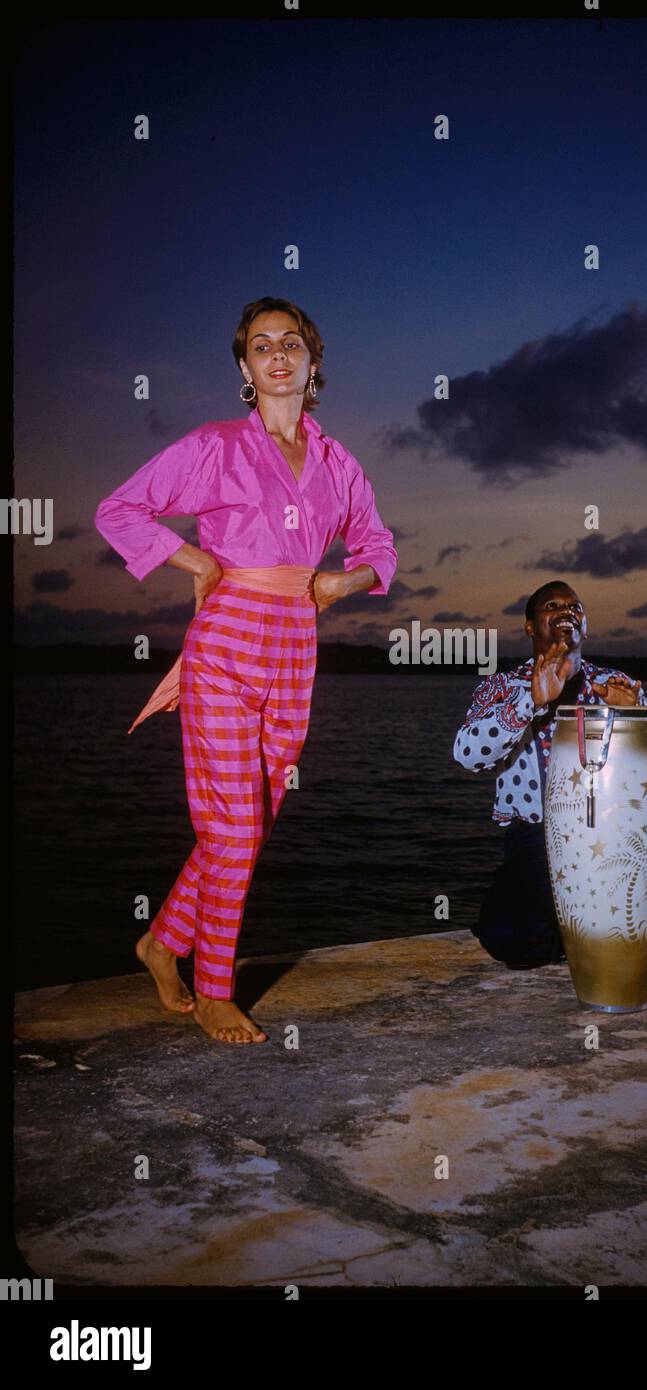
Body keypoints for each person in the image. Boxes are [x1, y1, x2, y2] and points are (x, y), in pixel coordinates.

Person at [94, 296, 397, 1044]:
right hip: (225, 645)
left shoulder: (337, 463)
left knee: (250, 825)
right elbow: (119, 510)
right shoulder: (216, 446)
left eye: (290, 342)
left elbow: (379, 549)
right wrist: (194, 556)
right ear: (245, 368)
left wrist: (338, 583)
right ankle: (214, 987)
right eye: (261, 346)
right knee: (229, 828)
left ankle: (161, 941)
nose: (277, 355)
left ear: (312, 361)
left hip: (295, 646)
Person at [453, 581, 647, 991]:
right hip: (540, 833)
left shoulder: (612, 680)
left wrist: (637, 715)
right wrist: (530, 700)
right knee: (515, 944)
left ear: (585, 622)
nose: (566, 610)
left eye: (574, 605)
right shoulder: (502, 687)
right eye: (552, 605)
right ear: (531, 626)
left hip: (613, 831)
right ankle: (568, 935)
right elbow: (467, 754)